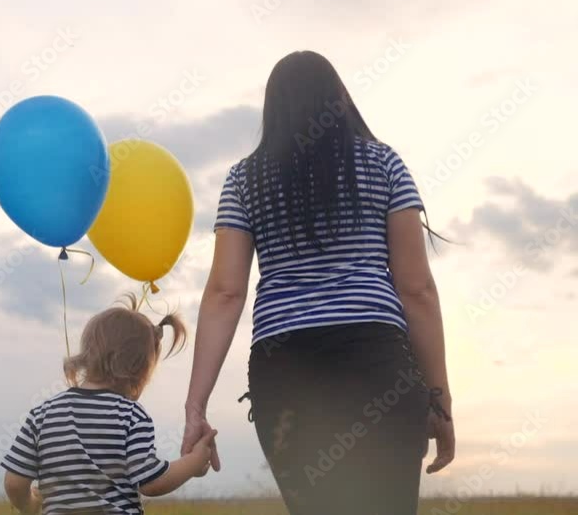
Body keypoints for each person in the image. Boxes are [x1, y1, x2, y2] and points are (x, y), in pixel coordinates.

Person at [181, 51, 455, 515]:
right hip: (377, 361)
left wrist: (195, 407)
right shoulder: (384, 164)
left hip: (285, 368)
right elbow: (417, 290)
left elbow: (226, 293)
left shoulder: (244, 180)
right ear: (340, 100)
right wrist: (440, 402)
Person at [2, 295, 216, 514]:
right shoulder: (130, 415)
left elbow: (14, 483)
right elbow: (152, 482)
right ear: (141, 369)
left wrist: (29, 505)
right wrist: (193, 461)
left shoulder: (42, 414)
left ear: (87, 354)